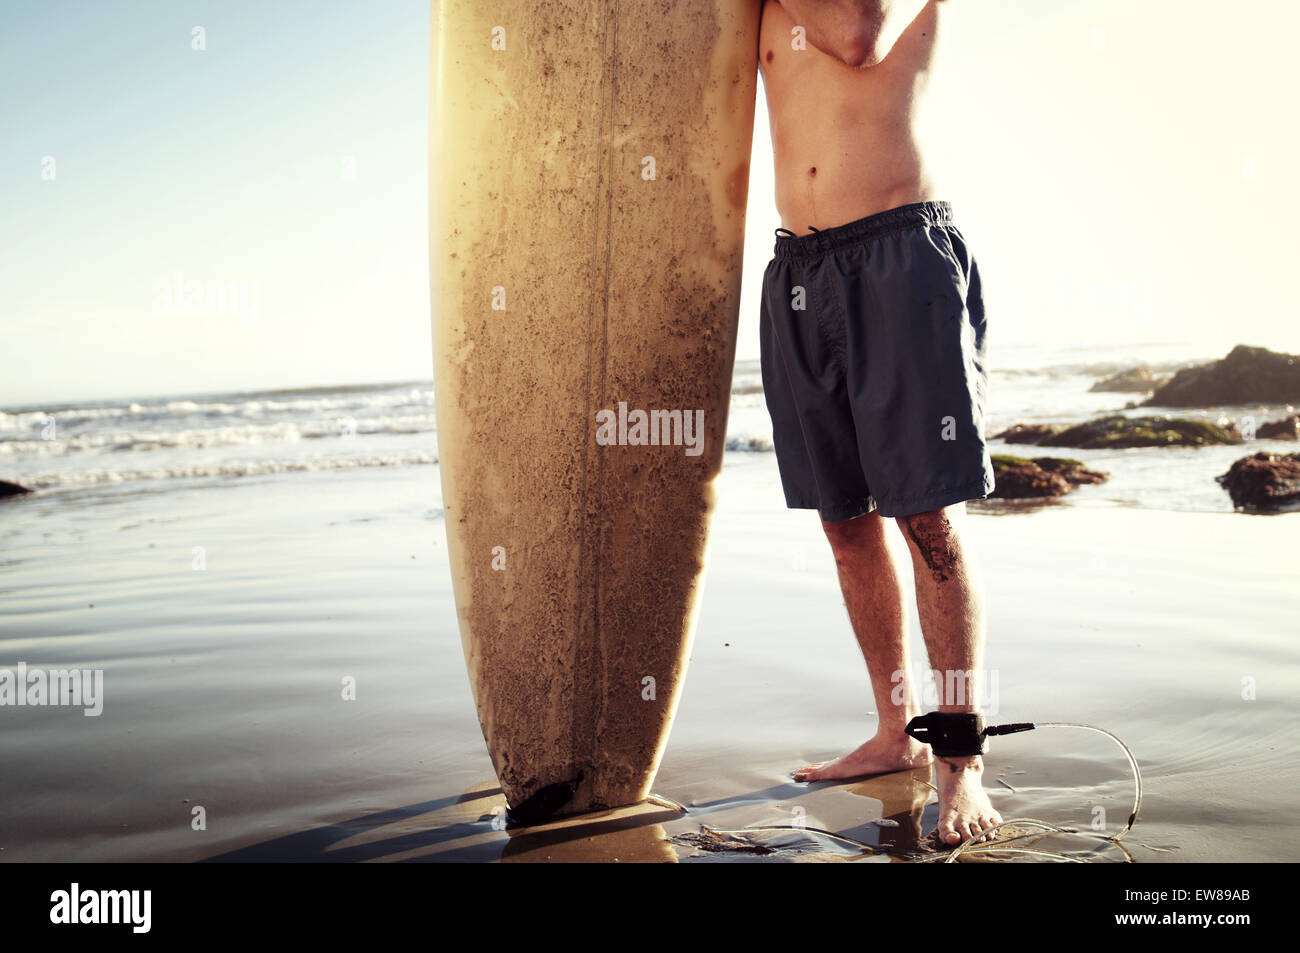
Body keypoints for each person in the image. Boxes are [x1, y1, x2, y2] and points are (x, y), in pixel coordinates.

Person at [757, 0, 1001, 846]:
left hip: (900, 255)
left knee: (926, 519)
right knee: (845, 525)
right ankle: (893, 731)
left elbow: (860, 34)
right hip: (798, 270)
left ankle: (960, 758)